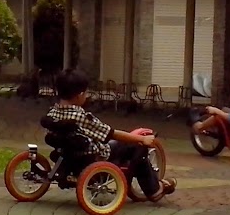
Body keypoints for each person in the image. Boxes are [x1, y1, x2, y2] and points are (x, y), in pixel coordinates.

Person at [45, 70, 175, 201]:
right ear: (80, 95)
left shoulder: (53, 113)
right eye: (86, 92)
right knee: (137, 147)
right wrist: (142, 138)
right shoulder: (82, 117)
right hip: (95, 157)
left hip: (69, 157)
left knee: (125, 146)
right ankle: (154, 189)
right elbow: (111, 133)